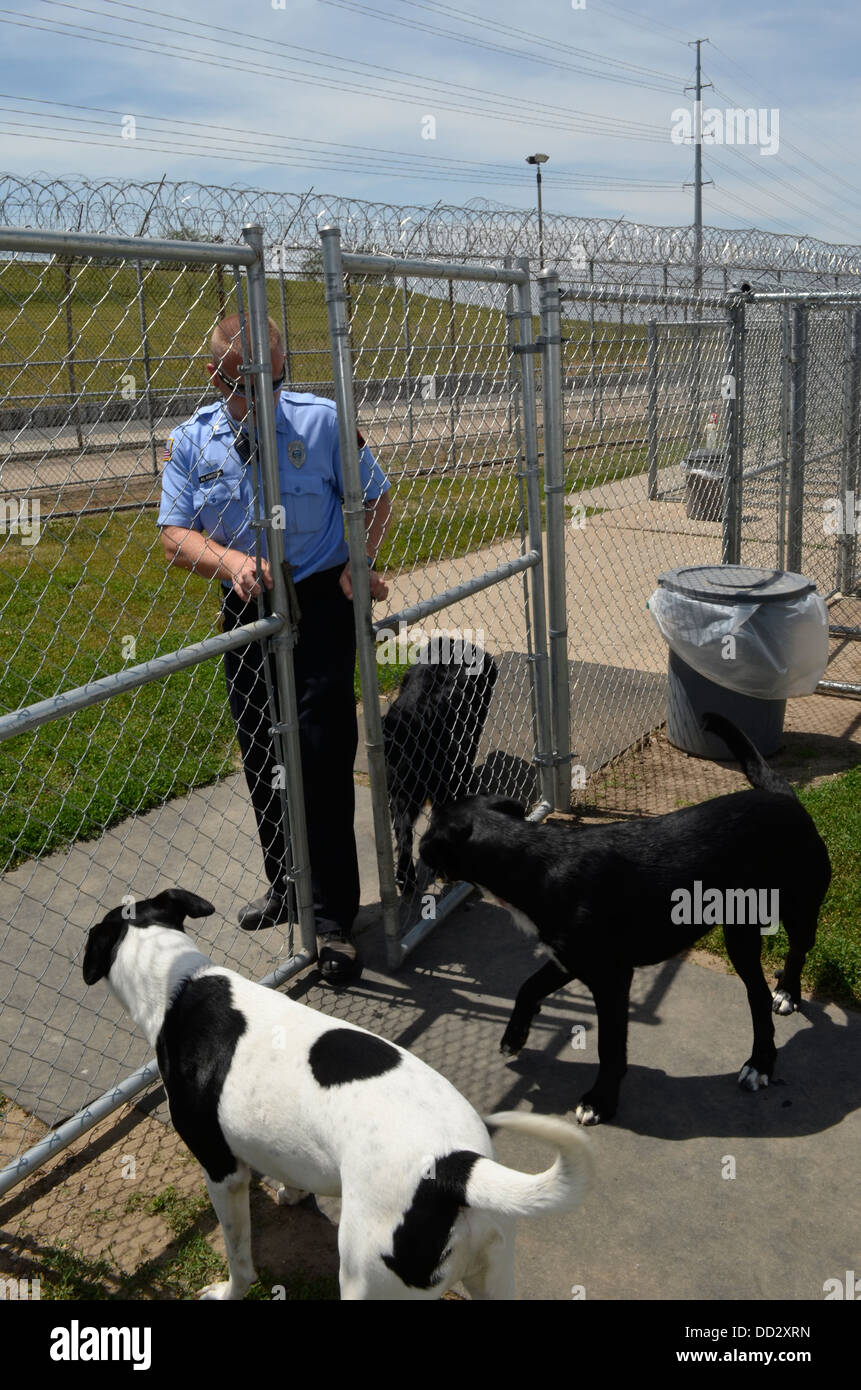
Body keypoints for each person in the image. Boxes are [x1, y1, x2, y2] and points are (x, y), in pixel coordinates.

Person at [157, 313, 391, 982]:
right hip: (246, 602)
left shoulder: (321, 424)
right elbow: (174, 534)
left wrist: (358, 559)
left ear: (284, 370)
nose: (255, 399)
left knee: (320, 753)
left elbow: (374, 499)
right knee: (262, 750)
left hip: (317, 600)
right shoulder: (192, 440)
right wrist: (230, 562)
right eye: (239, 382)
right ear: (214, 375)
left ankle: (332, 918)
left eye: (270, 380)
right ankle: (286, 883)